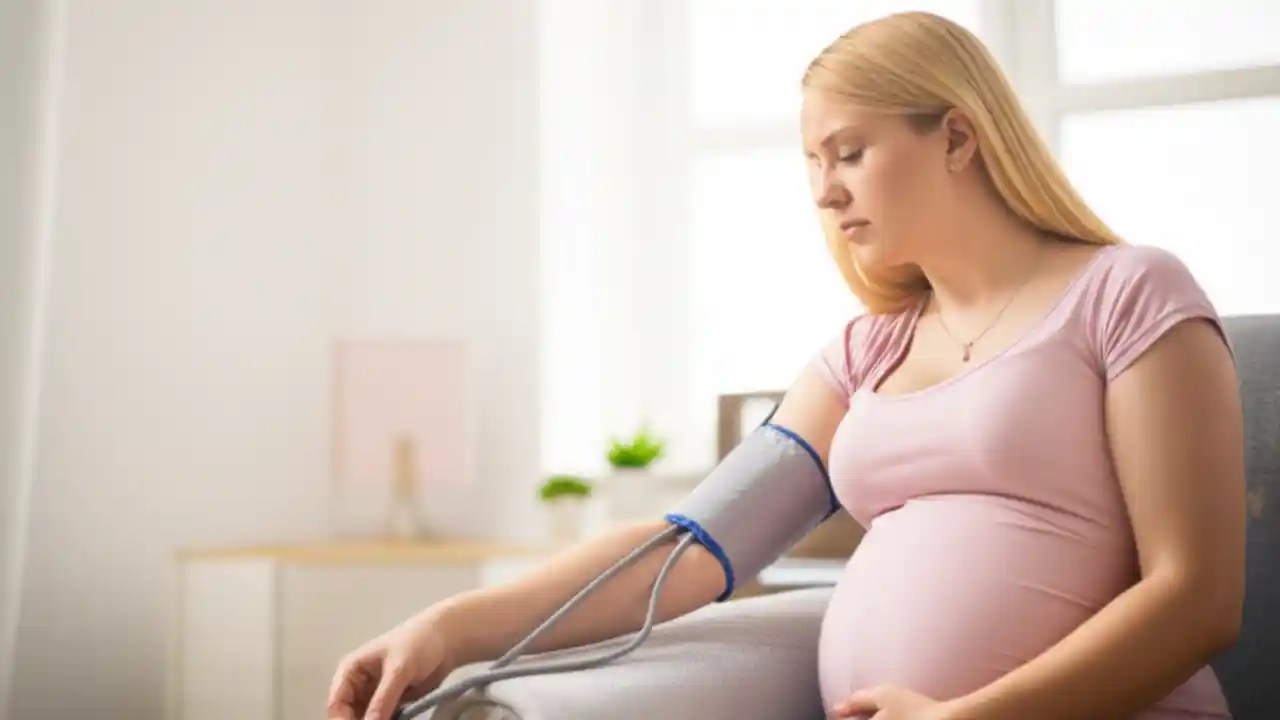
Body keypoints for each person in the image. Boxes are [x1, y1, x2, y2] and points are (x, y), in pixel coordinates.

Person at [328, 11, 1244, 720]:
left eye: (850, 152)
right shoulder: (864, 353)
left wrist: (976, 715)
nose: (824, 189)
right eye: (812, 160)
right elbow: (688, 550)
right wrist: (448, 628)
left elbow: (1196, 597)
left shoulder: (1128, 295)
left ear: (960, 139)